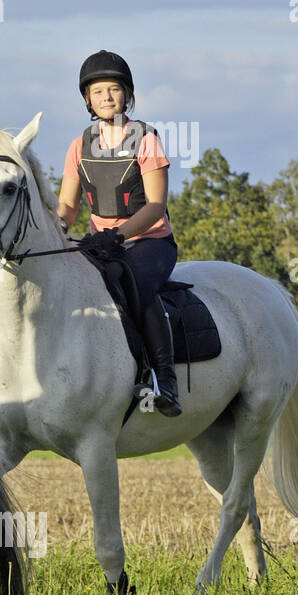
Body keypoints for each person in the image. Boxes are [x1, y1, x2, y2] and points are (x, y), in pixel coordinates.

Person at [56, 50, 182, 416]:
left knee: (131, 286)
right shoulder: (79, 145)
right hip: (101, 245)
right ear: (87, 100)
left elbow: (155, 206)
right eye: (98, 92)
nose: (107, 97)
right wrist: (57, 230)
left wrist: (119, 235)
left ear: (127, 94)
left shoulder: (145, 139)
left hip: (149, 242)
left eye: (113, 90)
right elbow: (67, 205)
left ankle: (163, 379)